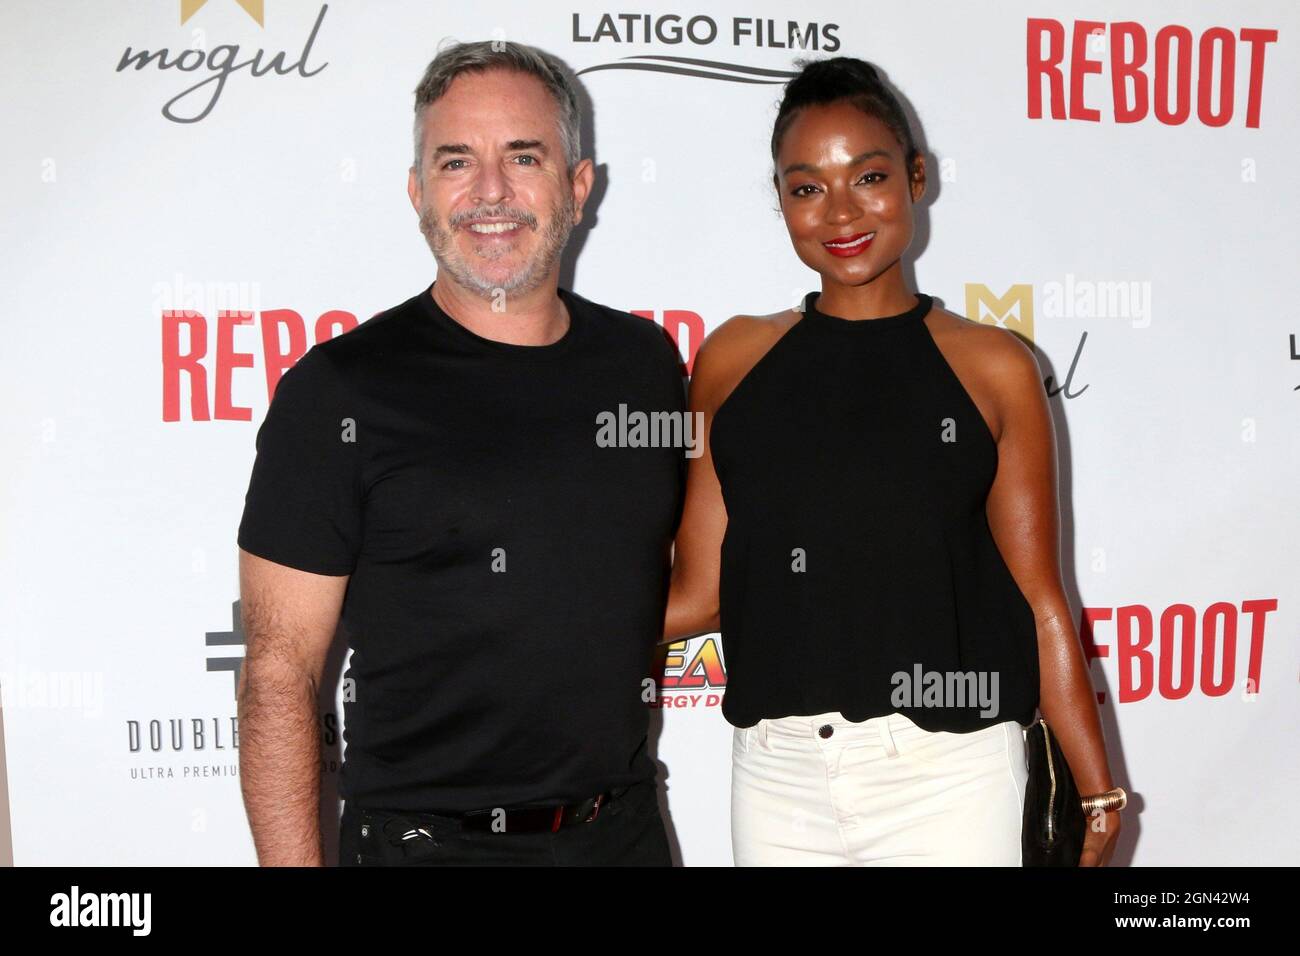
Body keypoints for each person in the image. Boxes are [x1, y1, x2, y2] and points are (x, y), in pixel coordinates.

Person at [662, 57, 1124, 866]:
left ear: (917, 176)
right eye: (806, 187)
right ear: (780, 202)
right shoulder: (732, 359)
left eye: (868, 176)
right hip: (776, 780)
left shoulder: (994, 366)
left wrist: (1097, 788)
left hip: (951, 779)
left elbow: (1038, 595)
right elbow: (698, 594)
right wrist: (524, 623)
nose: (840, 211)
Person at [236, 40, 686, 866]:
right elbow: (278, 672)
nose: (490, 192)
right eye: (456, 161)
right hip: (421, 846)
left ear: (578, 187)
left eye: (523, 156)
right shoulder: (338, 392)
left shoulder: (645, 366)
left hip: (621, 836)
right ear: (417, 193)